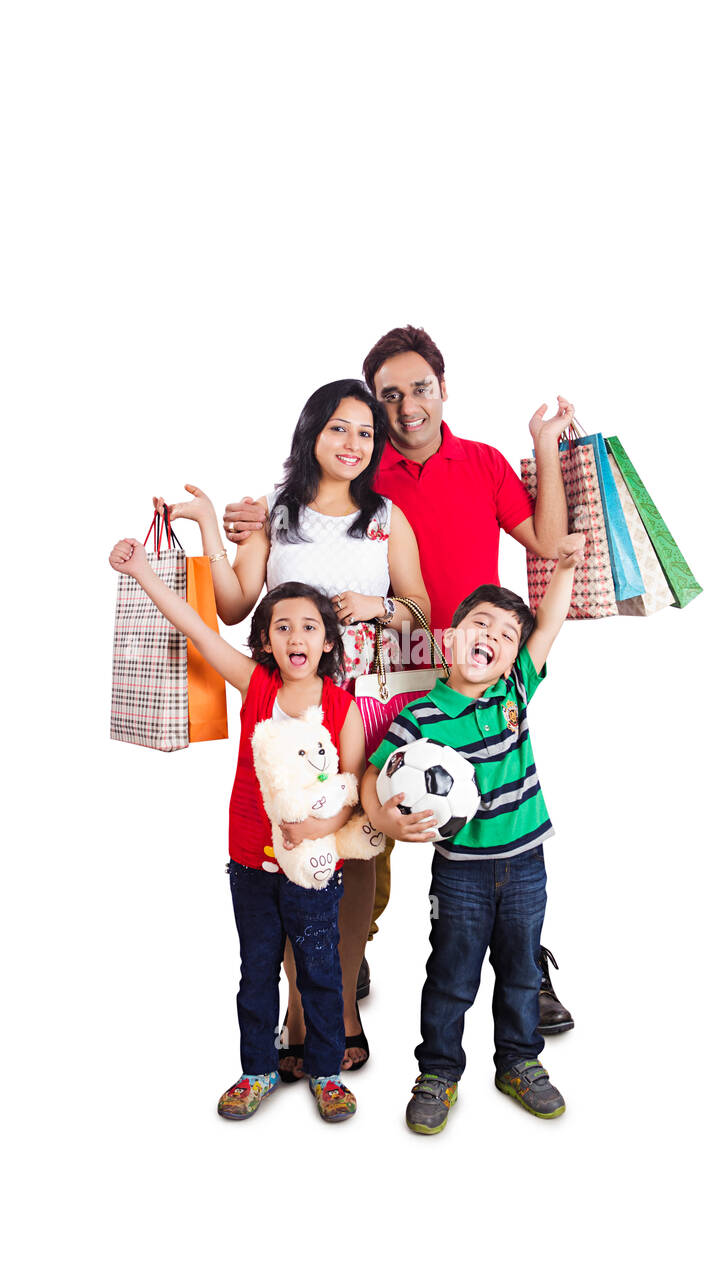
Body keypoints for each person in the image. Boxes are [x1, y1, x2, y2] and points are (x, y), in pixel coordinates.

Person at [222, 328, 575, 1033]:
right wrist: (252, 520)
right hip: (379, 671)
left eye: (419, 387)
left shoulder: (481, 463)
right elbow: (303, 512)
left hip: (474, 668)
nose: (406, 405)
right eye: (389, 395)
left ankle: (523, 965)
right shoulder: (363, 474)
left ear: (444, 387)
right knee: (368, 818)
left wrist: (542, 446)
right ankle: (349, 959)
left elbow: (548, 540)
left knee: (493, 814)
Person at [156, 379, 429, 1080]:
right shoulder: (275, 515)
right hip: (284, 714)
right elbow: (233, 600)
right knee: (286, 848)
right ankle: (302, 1013)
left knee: (354, 845)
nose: (353, 444)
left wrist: (381, 604)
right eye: (340, 429)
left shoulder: (386, 517)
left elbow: (422, 613)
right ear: (312, 432)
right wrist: (212, 527)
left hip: (362, 707)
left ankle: (336, 1008)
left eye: (366, 434)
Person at [107, 546, 363, 1125]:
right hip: (249, 863)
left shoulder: (343, 708)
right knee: (256, 970)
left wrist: (316, 828)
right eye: (282, 626)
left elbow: (349, 790)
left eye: (309, 626)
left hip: (314, 870)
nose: (295, 636)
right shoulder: (256, 685)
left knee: (321, 973)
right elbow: (196, 625)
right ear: (267, 642)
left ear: (327, 642)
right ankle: (258, 1069)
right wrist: (142, 571)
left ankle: (326, 1072)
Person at [360, 528, 587, 1134]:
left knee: (519, 971)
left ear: (516, 657)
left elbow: (550, 624)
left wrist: (562, 568)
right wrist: (383, 817)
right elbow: (371, 774)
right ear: (452, 635)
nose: (491, 637)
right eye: (481, 624)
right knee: (452, 975)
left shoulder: (516, 691)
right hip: (459, 872)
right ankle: (438, 1071)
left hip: (526, 865)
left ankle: (519, 1062)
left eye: (507, 635)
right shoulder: (420, 717)